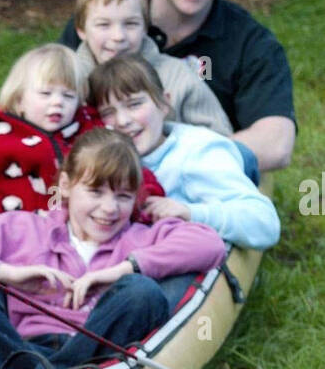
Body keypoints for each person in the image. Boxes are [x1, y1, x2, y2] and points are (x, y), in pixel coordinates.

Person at [0, 128, 226, 369]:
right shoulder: (26, 228)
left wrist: (122, 270)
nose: (109, 208)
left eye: (123, 196)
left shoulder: (140, 236)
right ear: (66, 185)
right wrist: (9, 273)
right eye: (95, 192)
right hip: (18, 351)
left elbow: (210, 244)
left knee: (142, 292)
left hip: (94, 355)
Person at [60, 0, 296, 172]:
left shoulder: (252, 43)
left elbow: (276, 145)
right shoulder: (106, 18)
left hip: (205, 179)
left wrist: (178, 165)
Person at [0, 42, 162, 228]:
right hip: (13, 243)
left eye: (68, 95)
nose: (57, 102)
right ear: (19, 98)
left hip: (87, 237)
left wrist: (149, 198)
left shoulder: (93, 134)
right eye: (45, 93)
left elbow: (130, 170)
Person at [86, 57, 281, 251]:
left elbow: (265, 223)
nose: (122, 120)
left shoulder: (196, 155)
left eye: (134, 104)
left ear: (164, 104)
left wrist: (190, 212)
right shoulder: (102, 157)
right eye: (107, 113)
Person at [72, 0, 238, 142]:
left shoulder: (179, 77)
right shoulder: (68, 81)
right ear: (81, 30)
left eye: (130, 24)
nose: (118, 36)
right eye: (104, 25)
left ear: (145, 27)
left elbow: (220, 139)